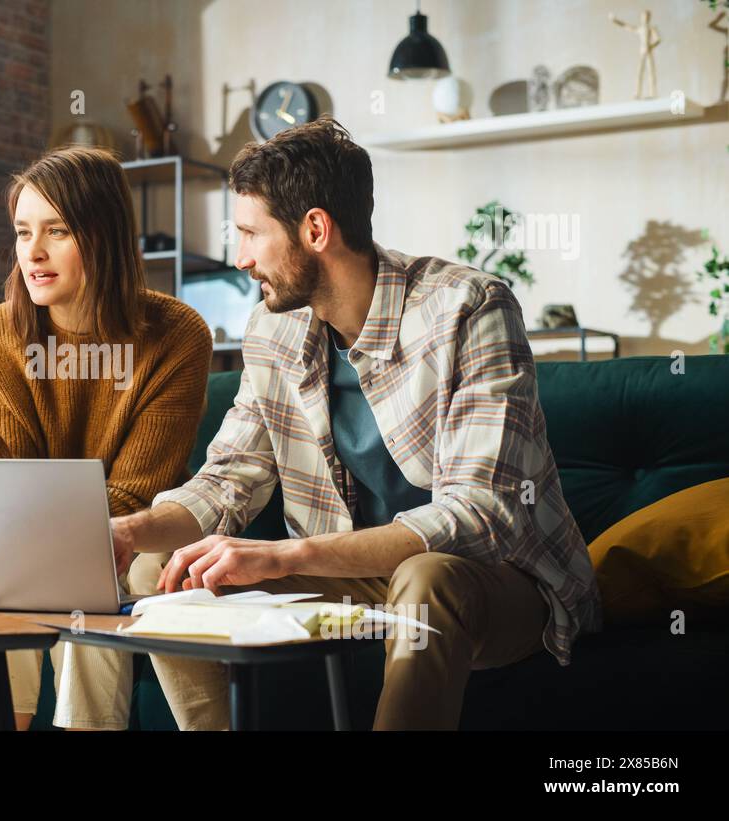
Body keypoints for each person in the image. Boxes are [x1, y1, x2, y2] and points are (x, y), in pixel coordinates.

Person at [114, 116, 603, 730]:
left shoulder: (468, 307)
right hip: (350, 579)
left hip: (494, 582)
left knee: (427, 580)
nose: (239, 259)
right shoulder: (273, 328)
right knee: (160, 569)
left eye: (249, 234)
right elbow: (228, 480)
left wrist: (285, 555)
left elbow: (480, 513)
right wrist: (130, 529)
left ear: (315, 229)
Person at [0, 145, 212, 730]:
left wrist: (46, 535)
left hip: (130, 537)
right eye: (23, 233)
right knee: (12, 577)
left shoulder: (176, 334)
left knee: (77, 588)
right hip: (27, 544)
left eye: (58, 231)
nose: (34, 253)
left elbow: (139, 493)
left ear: (104, 236)